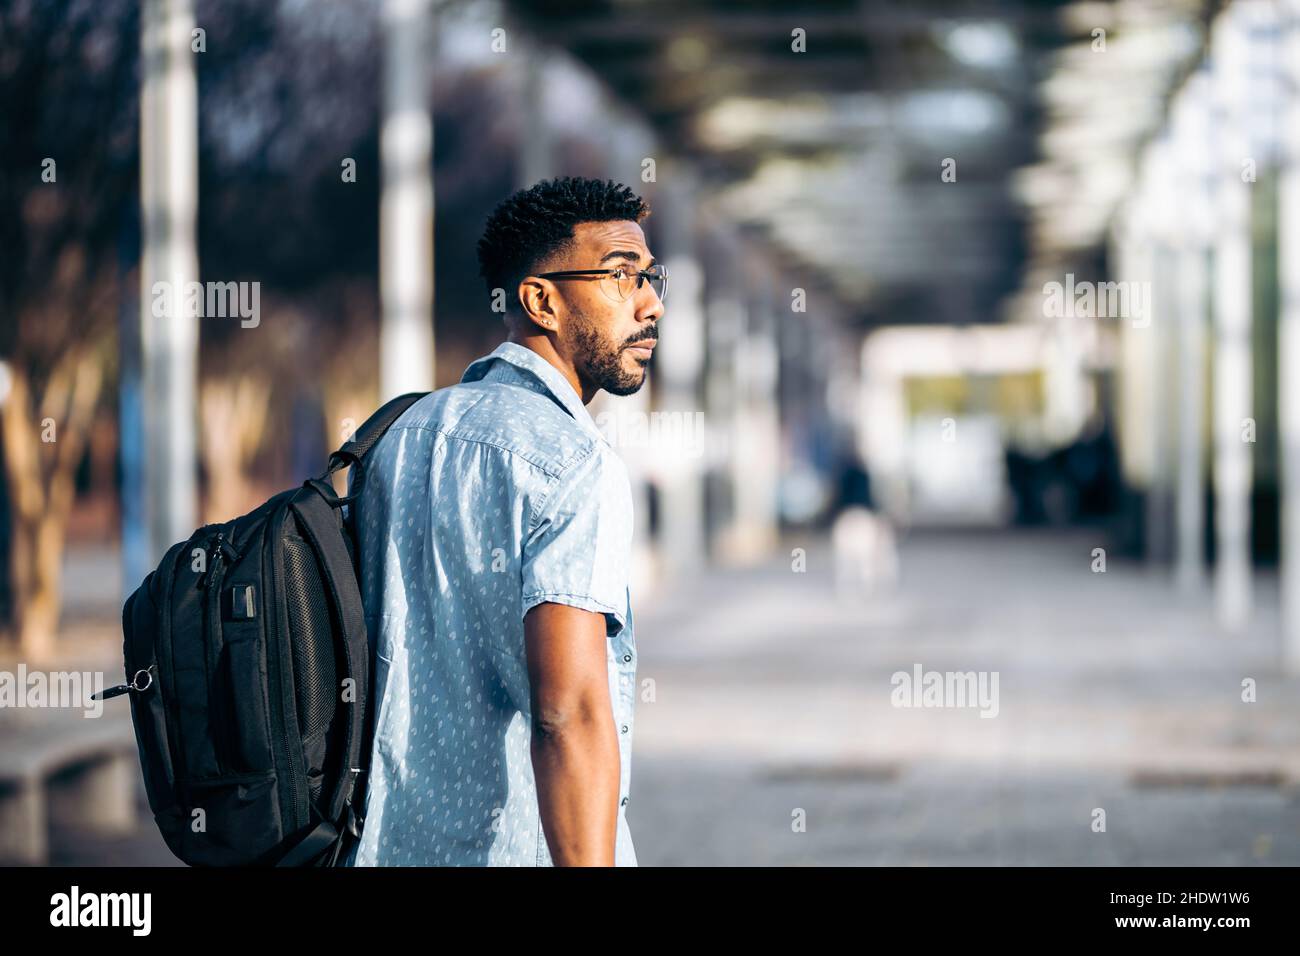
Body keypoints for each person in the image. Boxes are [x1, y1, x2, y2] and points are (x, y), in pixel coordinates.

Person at [341, 177, 664, 866]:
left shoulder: (394, 436)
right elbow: (568, 712)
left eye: (650, 277)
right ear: (542, 300)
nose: (651, 303)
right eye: (621, 277)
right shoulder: (575, 462)